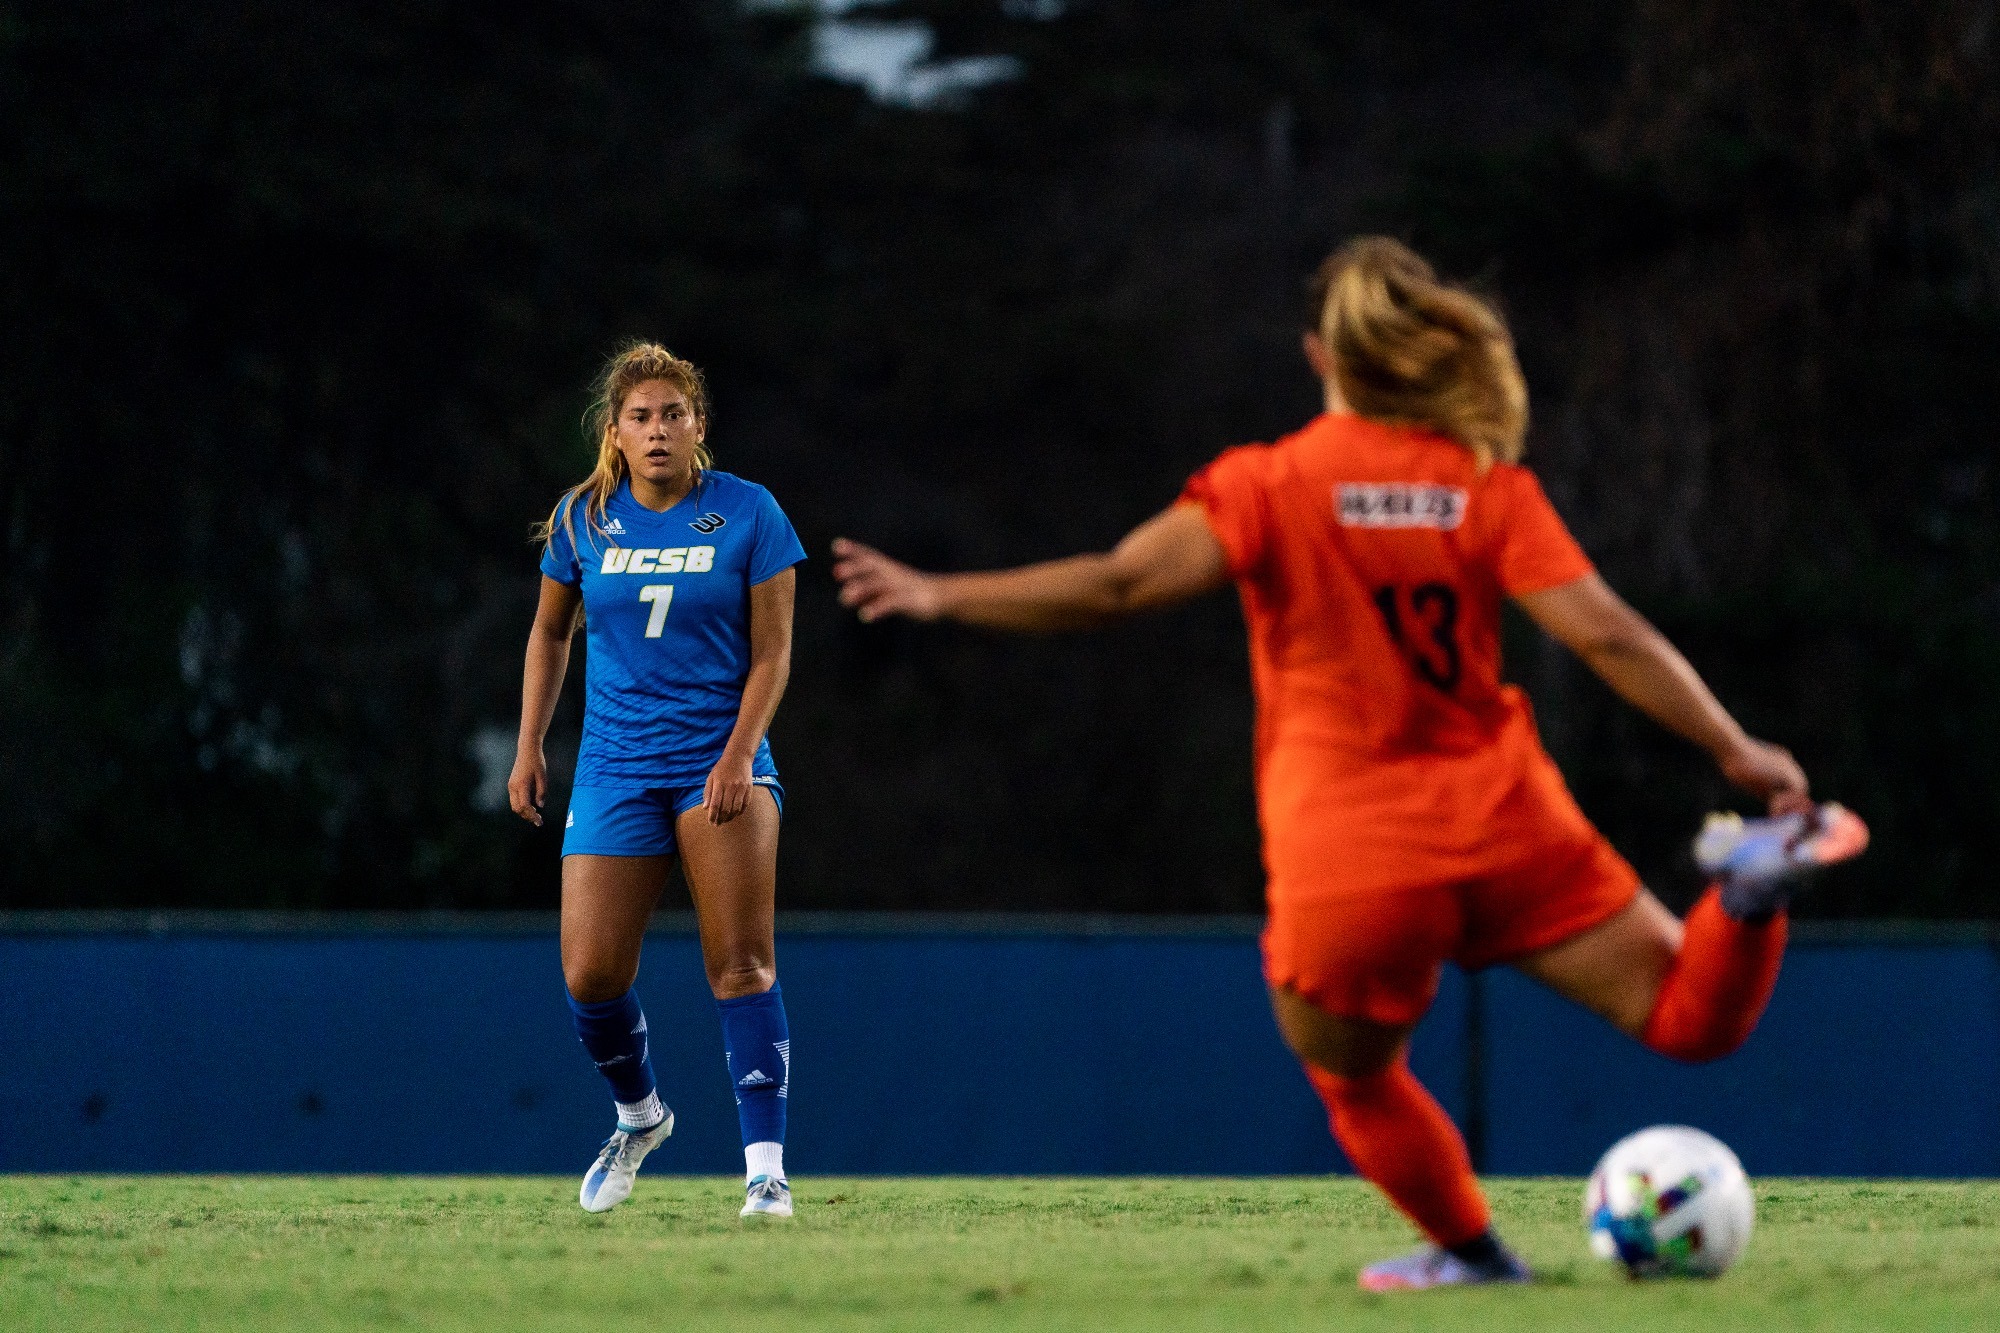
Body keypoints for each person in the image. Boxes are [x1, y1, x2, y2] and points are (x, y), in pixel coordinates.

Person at [830, 237, 1867, 1288]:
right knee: (1683, 1021)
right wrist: (1732, 747)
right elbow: (1606, 636)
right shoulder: (1479, 485)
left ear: (1320, 357)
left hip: (1351, 851)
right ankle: (1741, 900)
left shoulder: (1268, 484)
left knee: (1353, 1078)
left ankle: (1471, 1255)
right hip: (1507, 822)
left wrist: (942, 593)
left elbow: (1112, 586)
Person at [509, 342, 806, 1220]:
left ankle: (765, 1171)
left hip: (719, 759)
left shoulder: (749, 513)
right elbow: (549, 635)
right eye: (640, 417)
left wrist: (739, 754)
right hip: (613, 766)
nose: (658, 430)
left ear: (698, 425)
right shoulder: (582, 519)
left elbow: (776, 652)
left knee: (742, 964)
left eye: (673, 414)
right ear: (615, 431)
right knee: (591, 973)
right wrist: (529, 744)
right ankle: (640, 1118)